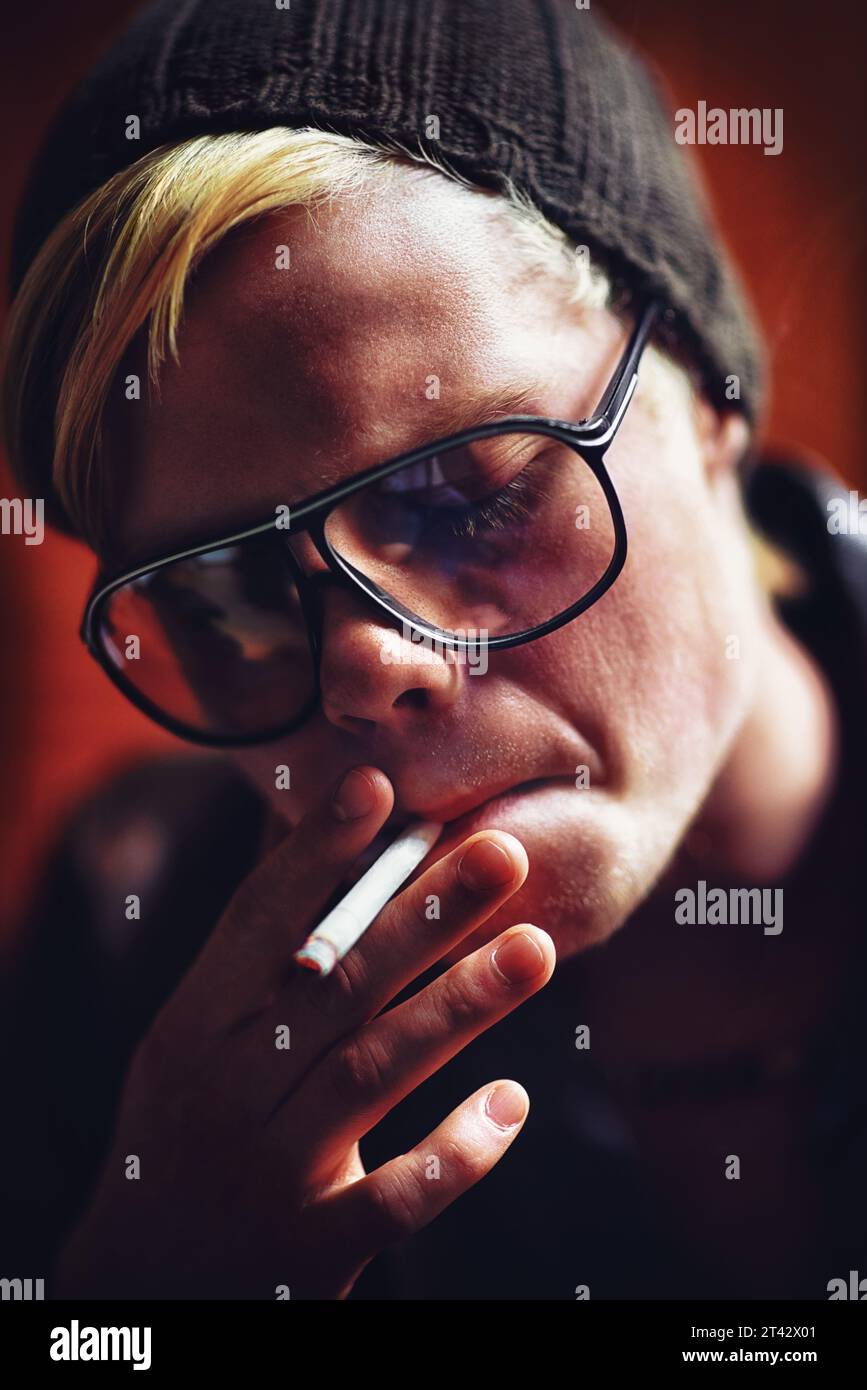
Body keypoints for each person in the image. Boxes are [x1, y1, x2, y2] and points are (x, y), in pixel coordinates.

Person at [2, 0, 865, 1300]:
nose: (367, 667)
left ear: (703, 397)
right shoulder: (134, 964)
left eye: (469, 499)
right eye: (222, 598)